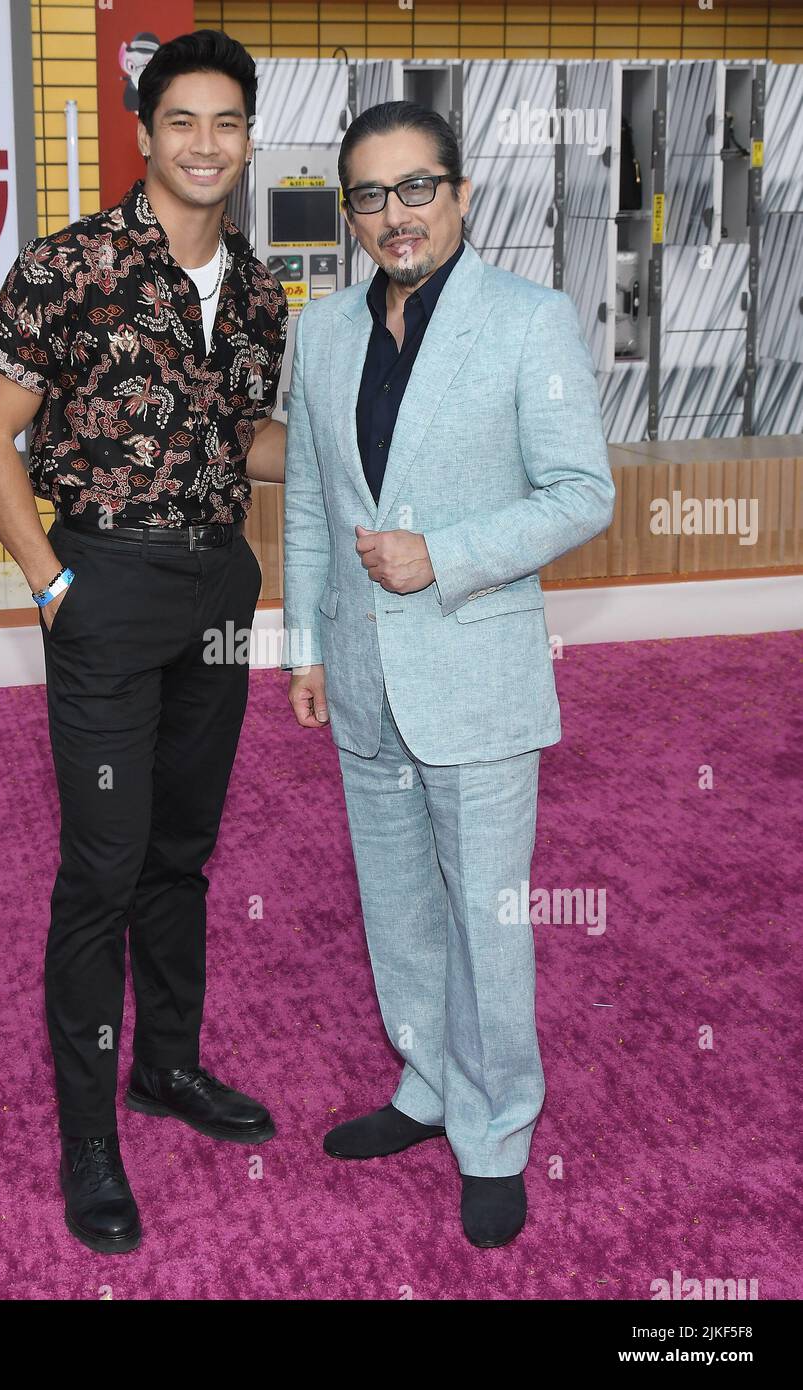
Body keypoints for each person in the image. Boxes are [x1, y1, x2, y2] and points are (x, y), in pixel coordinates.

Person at [0, 30, 288, 1255]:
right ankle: (89, 1134)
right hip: (102, 585)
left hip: (217, 584)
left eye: (228, 123)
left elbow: (236, 440)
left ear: (248, 140)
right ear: (145, 134)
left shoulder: (258, 289)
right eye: (183, 121)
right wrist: (54, 589)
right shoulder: (69, 266)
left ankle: (168, 1069)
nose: (206, 144)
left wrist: (349, 458)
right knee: (100, 866)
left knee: (183, 851)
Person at [283, 101, 615, 1248]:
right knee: (398, 907)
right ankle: (427, 1085)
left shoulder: (529, 320)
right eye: (368, 195)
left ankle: (497, 1129)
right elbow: (310, 504)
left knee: (484, 917)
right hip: (362, 675)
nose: (394, 215)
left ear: (460, 194)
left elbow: (583, 492)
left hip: (473, 669)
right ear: (349, 212)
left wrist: (447, 557)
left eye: (415, 187)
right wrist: (305, 648)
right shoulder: (318, 333)